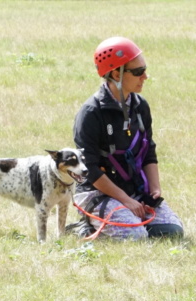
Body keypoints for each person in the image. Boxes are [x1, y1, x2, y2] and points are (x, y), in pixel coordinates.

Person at [72, 36, 183, 239]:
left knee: (172, 232)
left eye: (144, 70)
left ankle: (124, 220)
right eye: (138, 72)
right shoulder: (90, 113)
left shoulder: (141, 106)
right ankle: (86, 224)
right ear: (116, 73)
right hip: (98, 193)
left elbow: (148, 150)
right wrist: (126, 201)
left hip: (134, 190)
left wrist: (155, 188)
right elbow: (91, 170)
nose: (145, 76)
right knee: (135, 236)